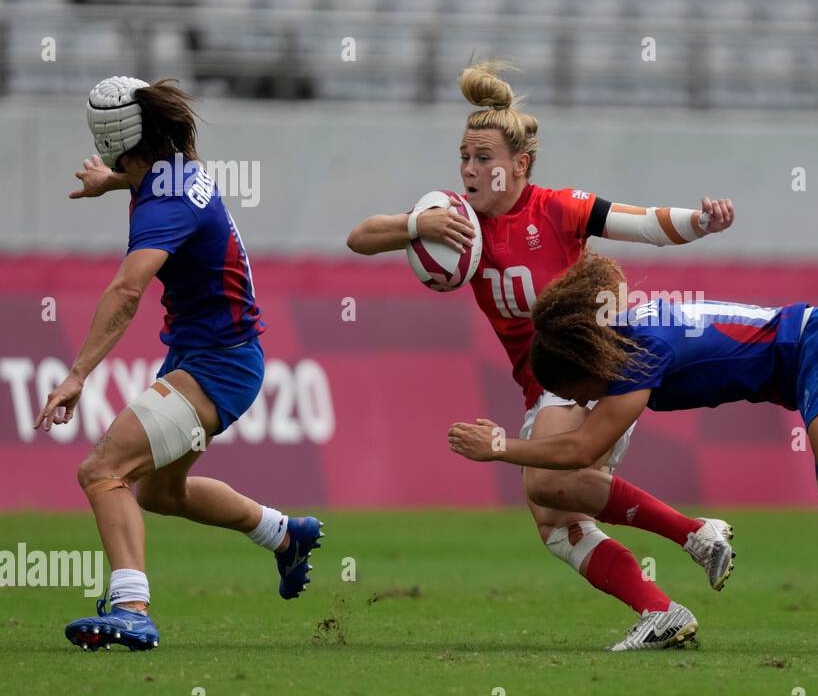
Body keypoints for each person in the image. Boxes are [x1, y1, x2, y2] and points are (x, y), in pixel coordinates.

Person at [449, 251, 818, 655]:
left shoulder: (635, 356)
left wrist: (501, 446)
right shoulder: (623, 339)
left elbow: (584, 446)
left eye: (578, 391)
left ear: (589, 369)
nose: (585, 401)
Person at [347, 61, 737, 647]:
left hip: (584, 372)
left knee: (548, 482)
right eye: (464, 157)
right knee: (556, 522)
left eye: (483, 158)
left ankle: (694, 535)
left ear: (519, 165)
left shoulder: (556, 209)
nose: (470, 169)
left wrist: (699, 221)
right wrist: (415, 222)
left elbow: (645, 224)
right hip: (541, 386)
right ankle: (663, 608)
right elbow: (359, 238)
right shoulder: (459, 226)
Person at [40, 77, 321, 652]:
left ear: (111, 137)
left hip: (218, 364)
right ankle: (283, 533)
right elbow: (151, 181)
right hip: (215, 355)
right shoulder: (179, 171)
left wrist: (77, 375)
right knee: (159, 494)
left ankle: (132, 609)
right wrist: (114, 180)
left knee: (102, 470)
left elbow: (125, 292)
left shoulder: (161, 204)